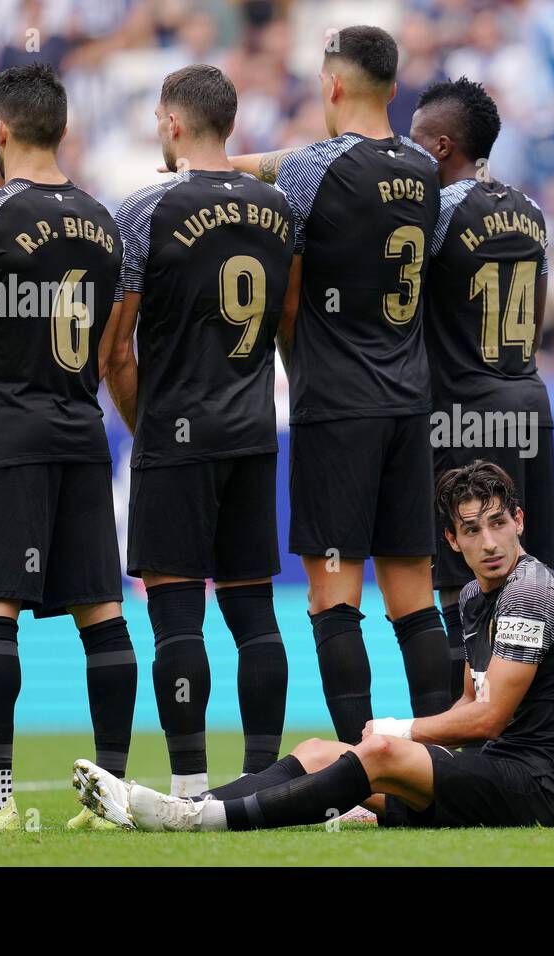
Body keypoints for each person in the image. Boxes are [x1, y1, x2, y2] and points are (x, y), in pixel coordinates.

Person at [71, 460, 554, 832]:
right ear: (452, 541)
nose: (488, 542)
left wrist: (401, 733)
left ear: (519, 522)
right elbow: (469, 704)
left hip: (539, 789)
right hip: (495, 775)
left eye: (498, 523)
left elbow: (487, 720)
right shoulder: (472, 595)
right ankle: (177, 804)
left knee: (380, 750)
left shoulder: (531, 589)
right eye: (471, 530)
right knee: (317, 751)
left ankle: (203, 820)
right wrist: (415, 756)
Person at [229, 26, 452, 745]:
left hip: (336, 405)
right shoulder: (423, 168)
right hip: (407, 403)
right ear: (393, 89)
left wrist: (192, 160)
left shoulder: (313, 170)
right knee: (414, 598)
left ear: (330, 87)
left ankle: (367, 766)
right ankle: (439, 761)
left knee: (334, 600)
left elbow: (288, 295)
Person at [0, 64, 134, 832]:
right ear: (64, 129)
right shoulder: (105, 222)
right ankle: (113, 797)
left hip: (5, 436)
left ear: (0, 130)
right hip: (82, 435)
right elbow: (113, 347)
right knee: (103, 613)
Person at [102, 64, 295, 798]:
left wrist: (147, 424)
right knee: (255, 615)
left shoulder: (145, 209)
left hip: (176, 438)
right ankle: (262, 786)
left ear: (174, 125)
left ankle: (189, 788)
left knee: (179, 616)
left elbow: (114, 351)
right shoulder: (278, 210)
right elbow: (290, 322)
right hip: (253, 432)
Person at [408, 76, 554, 700]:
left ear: (442, 147)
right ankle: (537, 733)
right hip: (529, 402)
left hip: (465, 413)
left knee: (460, 582)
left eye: (415, 141)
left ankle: (466, 735)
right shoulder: (532, 211)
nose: (405, 153)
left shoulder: (436, 212)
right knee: (533, 578)